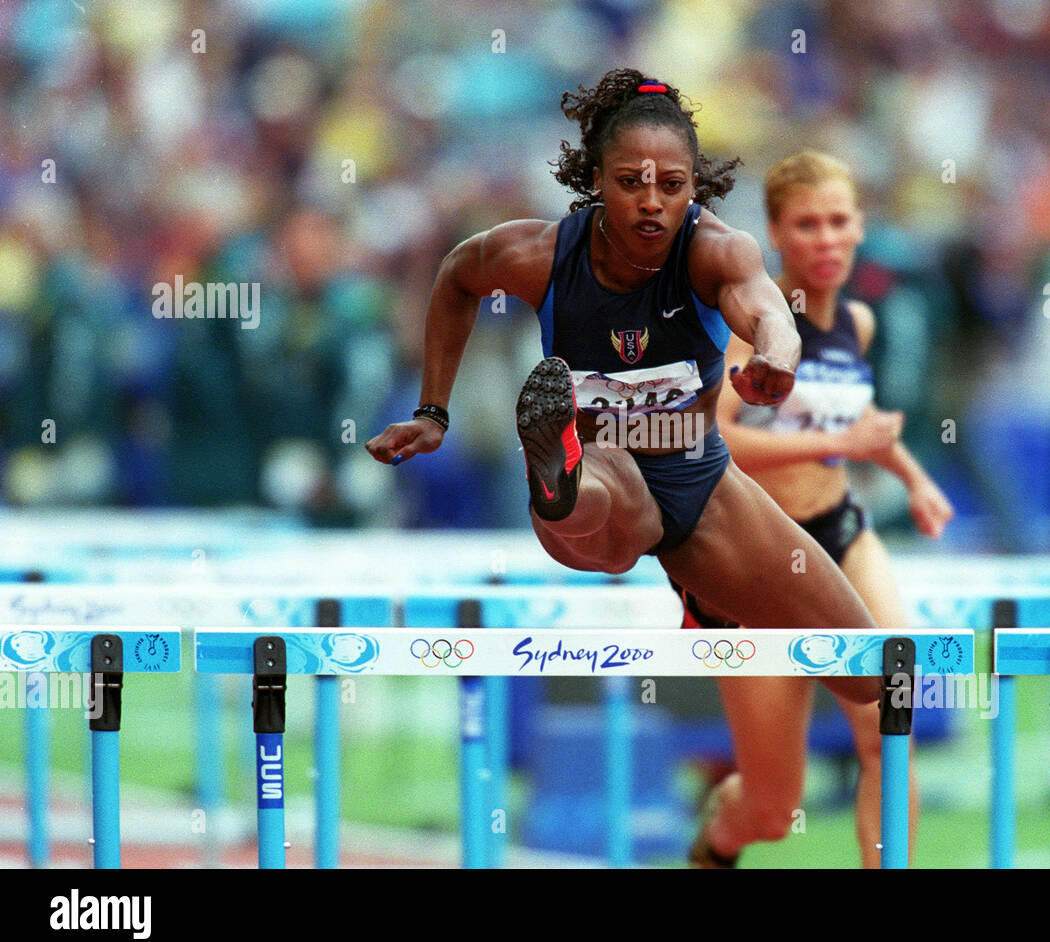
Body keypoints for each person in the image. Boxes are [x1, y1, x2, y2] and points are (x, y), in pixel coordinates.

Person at [365, 69, 889, 866]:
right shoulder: (541, 254)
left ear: (693, 186)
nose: (651, 201)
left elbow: (766, 311)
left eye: (671, 185)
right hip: (603, 491)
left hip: (705, 490)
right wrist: (433, 410)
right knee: (615, 501)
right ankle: (558, 472)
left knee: (869, 673)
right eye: (630, 183)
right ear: (594, 181)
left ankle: (725, 831)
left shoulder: (716, 249)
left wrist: (778, 361)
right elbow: (458, 275)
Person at [672, 150, 955, 867]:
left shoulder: (857, 322)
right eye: (807, 225)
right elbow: (713, 439)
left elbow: (854, 422)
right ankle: (720, 833)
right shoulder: (750, 322)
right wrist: (841, 439)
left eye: (838, 221)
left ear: (860, 226)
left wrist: (911, 475)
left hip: (840, 531)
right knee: (773, 810)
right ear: (775, 234)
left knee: (892, 717)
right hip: (751, 558)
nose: (826, 240)